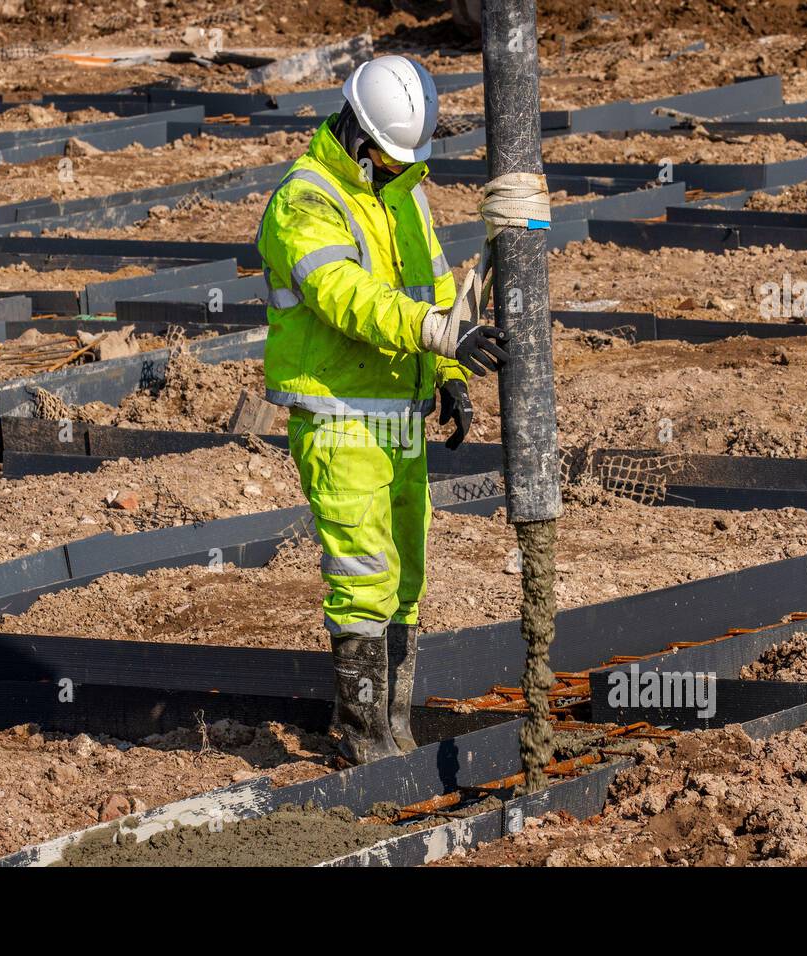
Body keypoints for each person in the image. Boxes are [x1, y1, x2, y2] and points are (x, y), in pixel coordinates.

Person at [256, 54, 512, 764]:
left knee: (405, 579)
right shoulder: (304, 201)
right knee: (363, 578)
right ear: (358, 134)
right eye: (391, 156)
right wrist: (438, 333)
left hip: (399, 414)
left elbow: (429, 284)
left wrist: (448, 373)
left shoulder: (402, 191)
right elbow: (348, 300)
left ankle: (393, 730)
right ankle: (363, 738)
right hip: (340, 418)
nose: (402, 168)